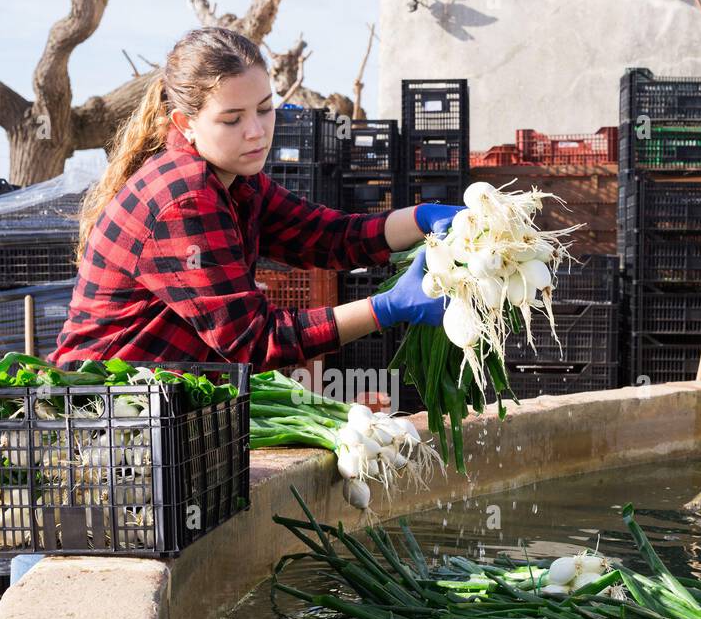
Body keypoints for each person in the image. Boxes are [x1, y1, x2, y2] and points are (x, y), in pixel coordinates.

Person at [49, 26, 459, 373]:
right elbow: (253, 340)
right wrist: (386, 308)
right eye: (232, 119)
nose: (256, 132)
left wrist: (422, 218)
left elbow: (326, 236)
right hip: (101, 416)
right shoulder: (184, 196)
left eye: (264, 109)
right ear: (184, 124)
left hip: (155, 410)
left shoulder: (236, 180)